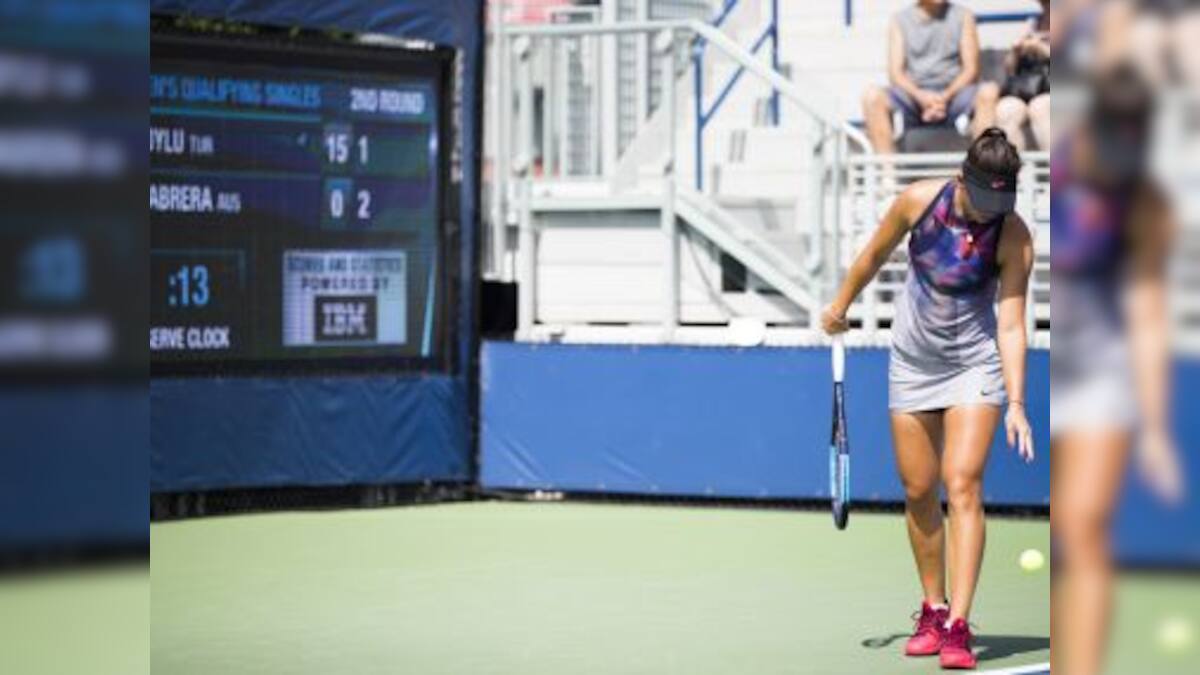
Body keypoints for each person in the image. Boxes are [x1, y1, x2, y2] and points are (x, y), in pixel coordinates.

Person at [821, 128, 1035, 670]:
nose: (990, 213)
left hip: (973, 365)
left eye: (1000, 203)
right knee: (919, 490)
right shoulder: (919, 201)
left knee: (961, 484)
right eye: (983, 201)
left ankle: (959, 627)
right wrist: (839, 306)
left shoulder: (1013, 237)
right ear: (961, 180)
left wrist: (1016, 402)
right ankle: (933, 609)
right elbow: (872, 256)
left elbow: (1010, 324)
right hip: (913, 364)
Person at [1049, 61, 1183, 675]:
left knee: (1081, 525)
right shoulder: (1059, 163)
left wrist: (1154, 429)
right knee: (1059, 531)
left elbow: (1150, 314)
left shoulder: (1147, 202)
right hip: (1054, 361)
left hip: (1102, 369)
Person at [862, 0, 1000, 154]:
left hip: (954, 94)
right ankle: (887, 175)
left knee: (989, 91)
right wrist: (921, 97)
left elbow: (971, 70)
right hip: (913, 96)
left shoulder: (963, 15)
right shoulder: (899, 20)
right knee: (872, 96)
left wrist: (943, 97)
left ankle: (982, 172)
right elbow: (896, 74)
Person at [996, 0, 1051, 150]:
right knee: (1006, 109)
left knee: (1040, 108)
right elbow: (1010, 70)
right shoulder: (1032, 24)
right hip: (1029, 89)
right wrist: (1016, 51)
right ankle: (1016, 172)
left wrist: (1042, 50)